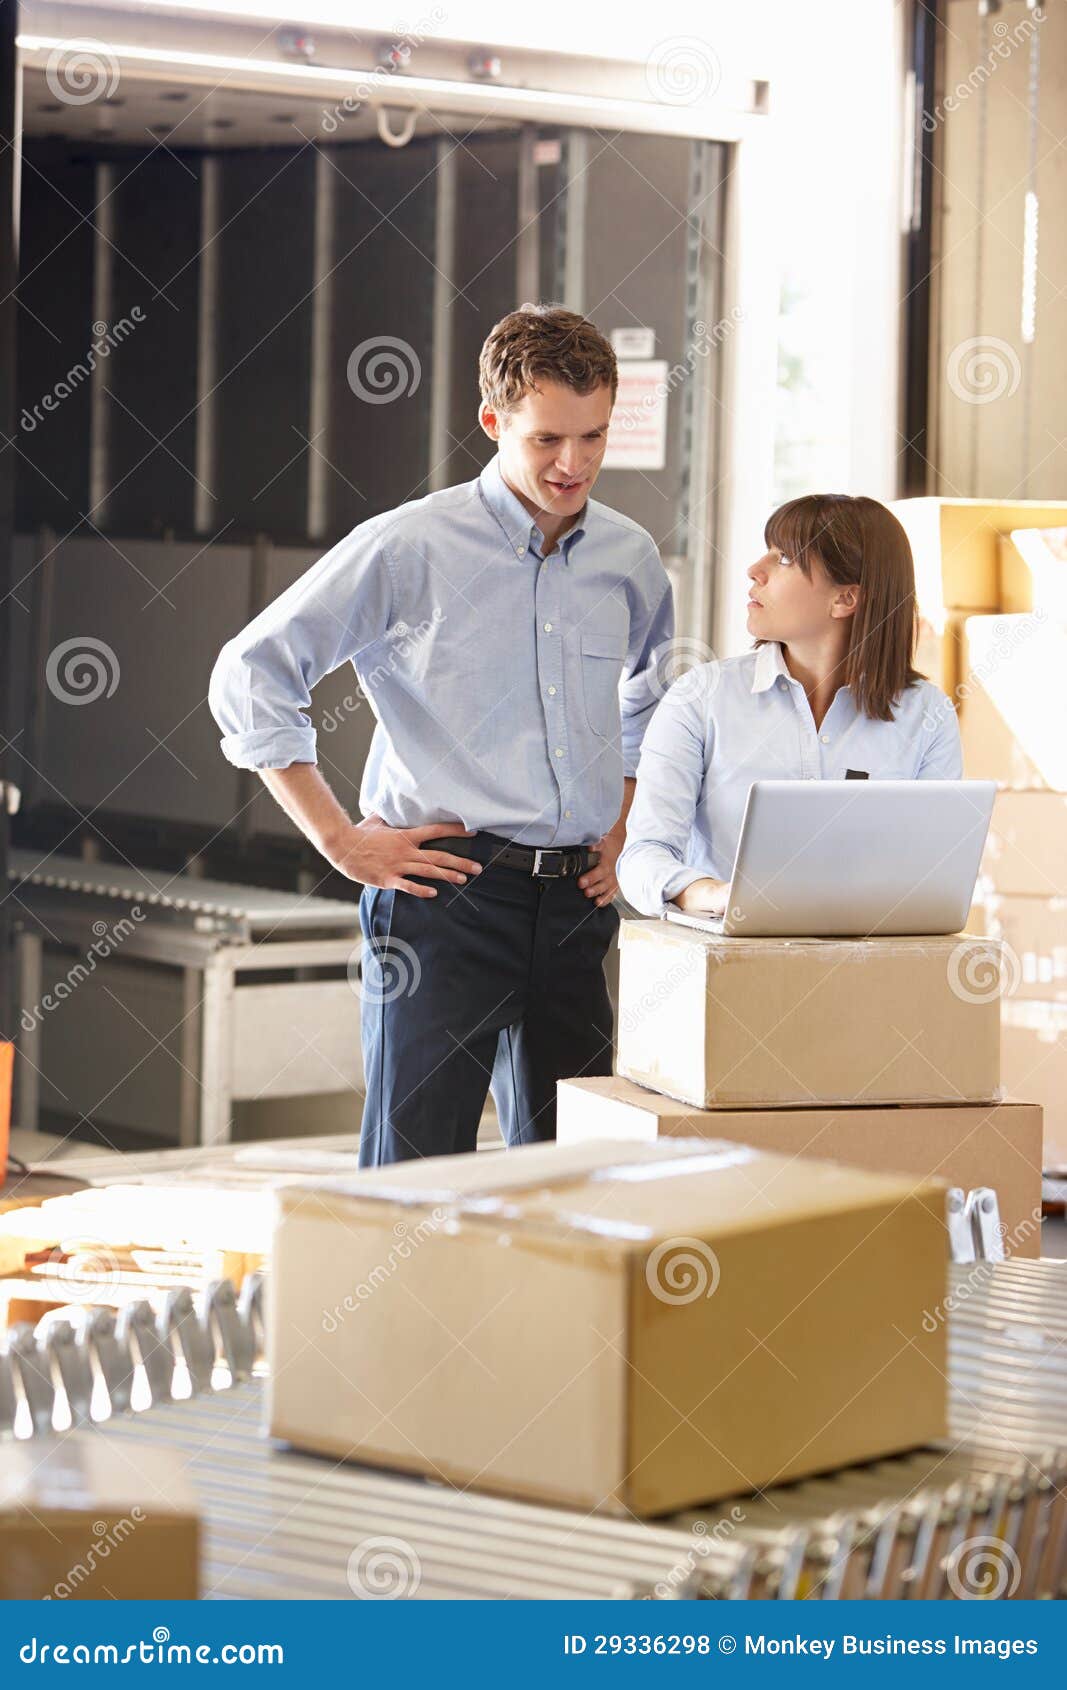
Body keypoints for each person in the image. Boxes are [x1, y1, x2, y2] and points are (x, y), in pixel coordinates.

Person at [209, 303, 674, 1163]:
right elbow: (251, 673)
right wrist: (340, 840)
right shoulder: (406, 547)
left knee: (573, 1177)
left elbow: (650, 694)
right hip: (443, 899)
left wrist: (622, 824)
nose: (573, 465)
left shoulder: (630, 557)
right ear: (494, 421)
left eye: (594, 438)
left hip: (575, 907)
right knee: (412, 1176)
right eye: (545, 440)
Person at [617, 493, 962, 916]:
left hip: (868, 964)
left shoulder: (928, 715)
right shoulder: (700, 698)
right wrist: (714, 894)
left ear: (845, 600)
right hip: (730, 961)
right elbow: (642, 857)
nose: (754, 571)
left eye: (783, 559)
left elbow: (938, 876)